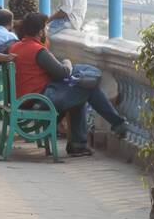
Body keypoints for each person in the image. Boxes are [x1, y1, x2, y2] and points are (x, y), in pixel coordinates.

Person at [10, 12, 127, 157]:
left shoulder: (16, 47)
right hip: (39, 100)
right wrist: (67, 62)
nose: (46, 32)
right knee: (87, 88)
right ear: (40, 32)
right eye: (45, 29)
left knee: (80, 90)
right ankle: (116, 124)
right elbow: (63, 72)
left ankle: (80, 144)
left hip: (24, 98)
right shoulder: (37, 50)